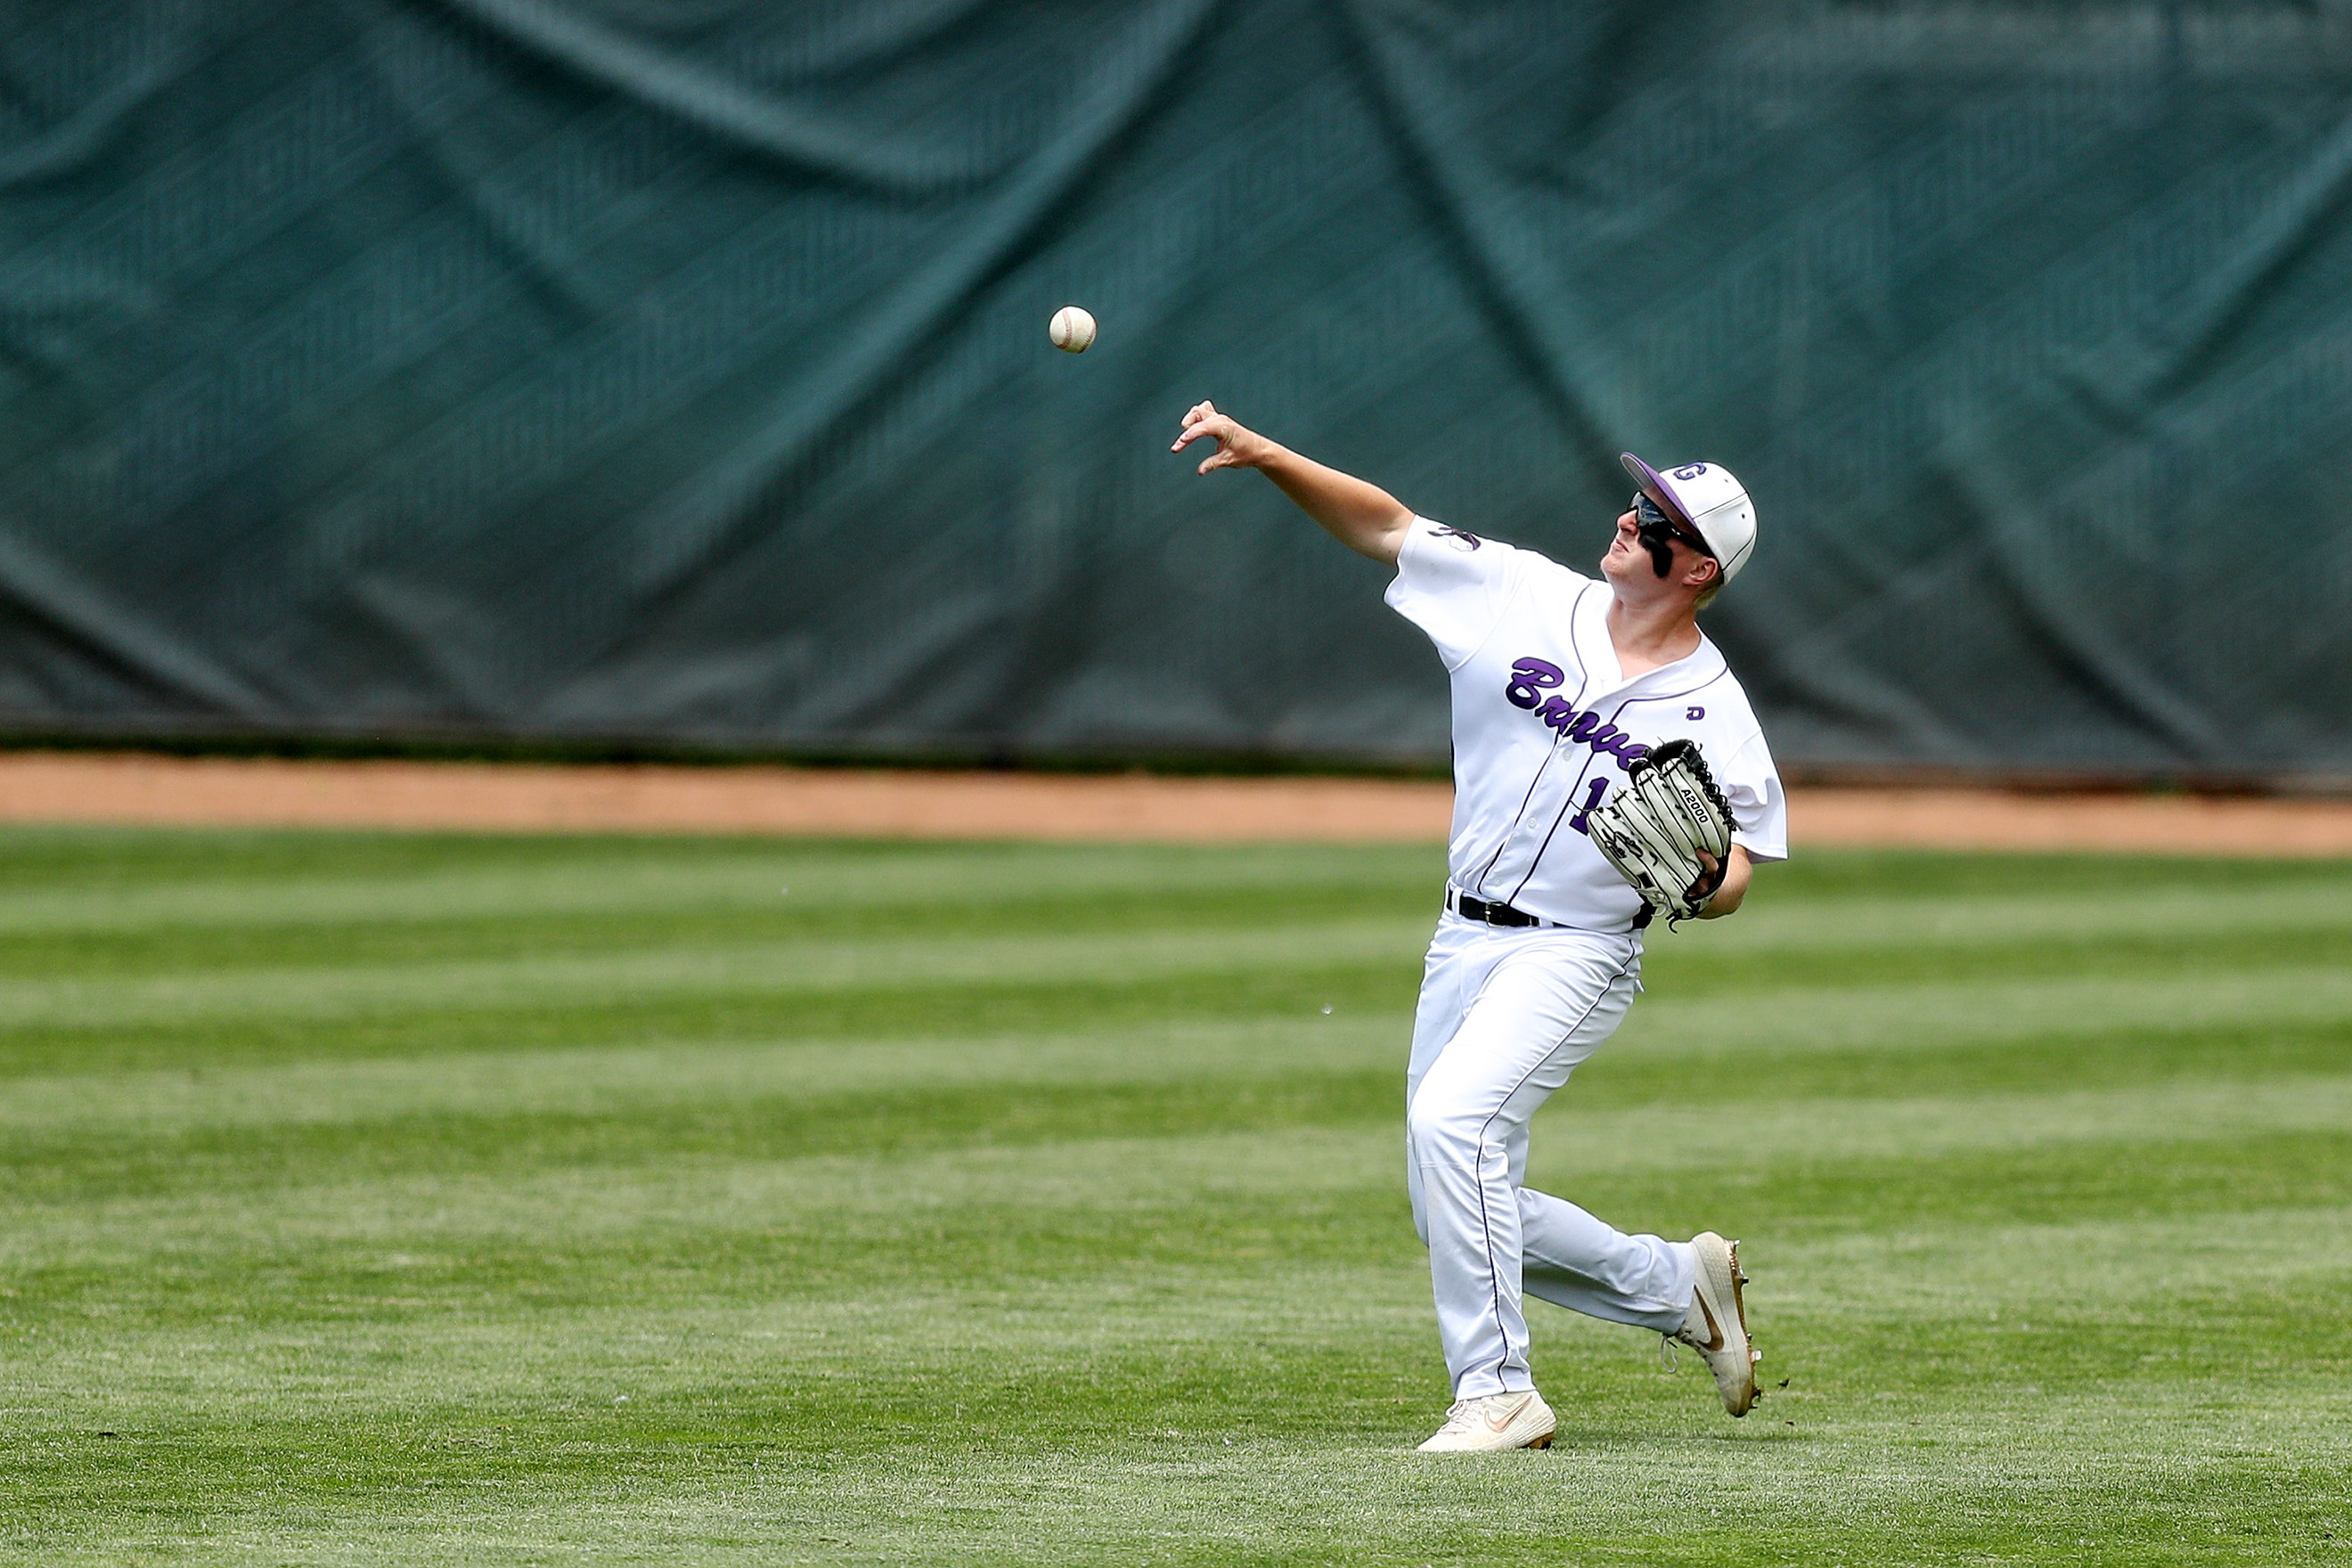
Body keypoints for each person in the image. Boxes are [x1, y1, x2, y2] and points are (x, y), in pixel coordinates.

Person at [1172, 402, 1786, 1452]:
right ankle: (1673, 1282)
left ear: (1700, 573)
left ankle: (1499, 1390)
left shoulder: (1714, 709)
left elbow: (1738, 866)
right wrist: (1271, 454)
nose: (1632, 520)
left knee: (1452, 1128)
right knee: (1447, 1198)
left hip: (1577, 951)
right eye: (1638, 500)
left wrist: (1704, 876)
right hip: (1462, 935)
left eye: (1660, 520)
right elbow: (1386, 527)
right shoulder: (1521, 592)